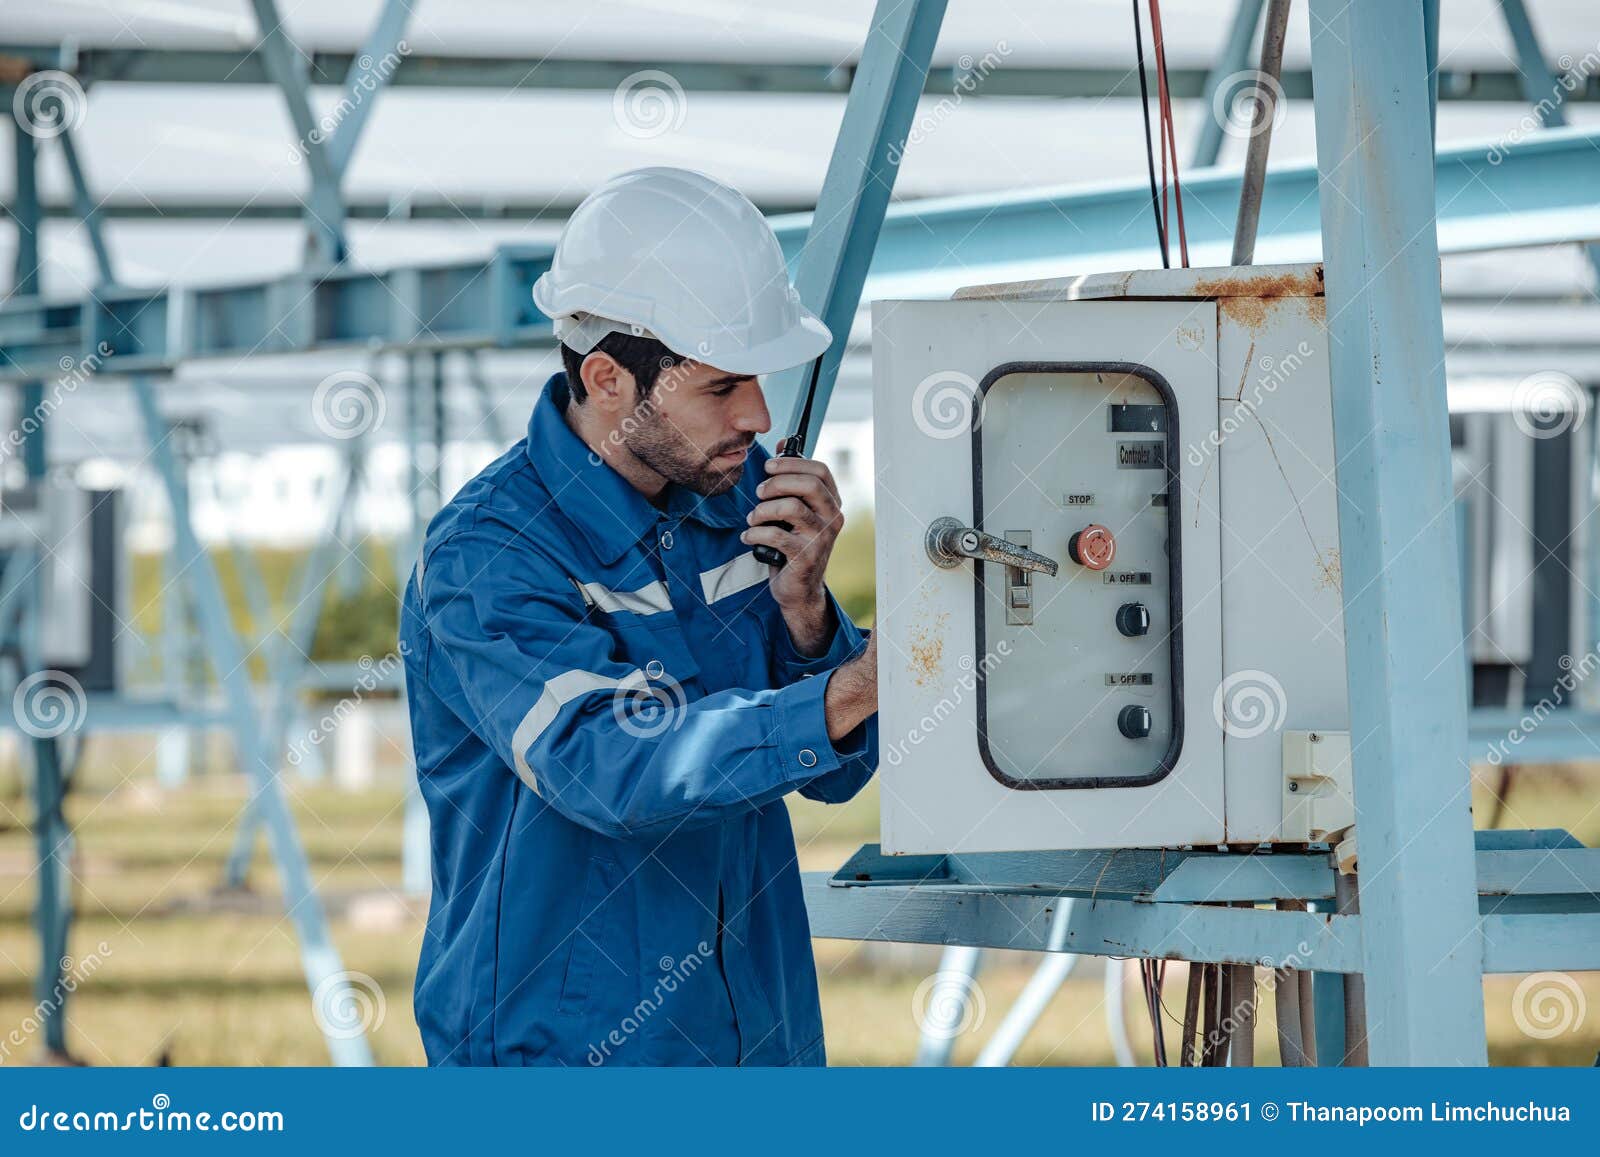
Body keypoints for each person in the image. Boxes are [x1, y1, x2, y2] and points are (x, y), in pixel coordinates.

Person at [400, 167, 879, 1066]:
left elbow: (833, 777)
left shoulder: (732, 497)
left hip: (759, 1042)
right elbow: (609, 768)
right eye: (722, 387)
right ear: (609, 378)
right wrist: (849, 690)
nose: (760, 415)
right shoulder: (489, 557)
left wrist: (809, 614)